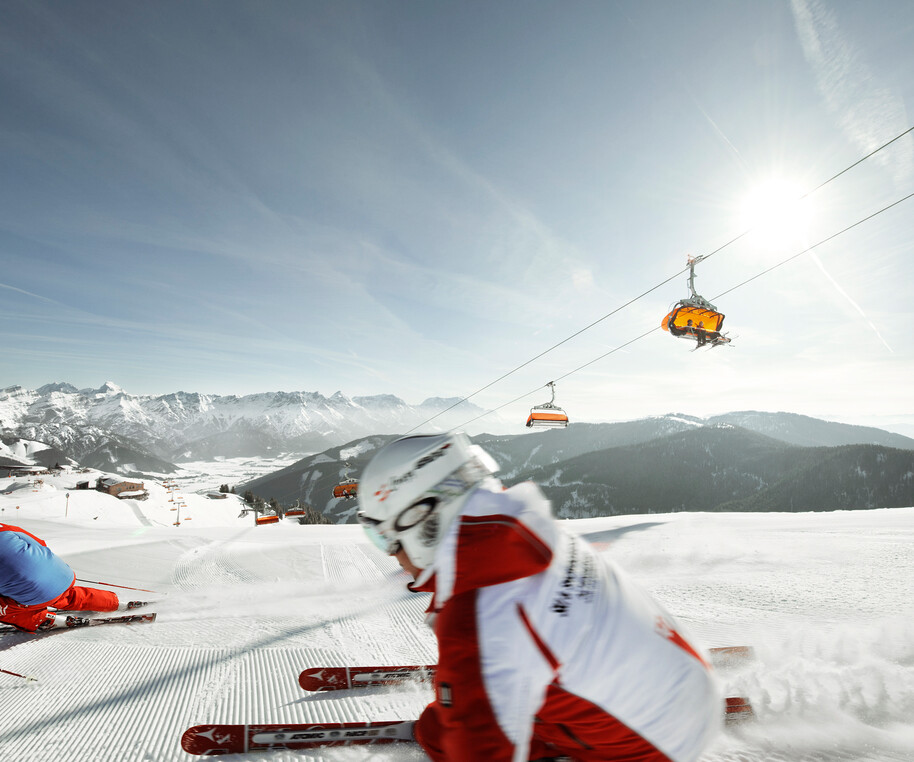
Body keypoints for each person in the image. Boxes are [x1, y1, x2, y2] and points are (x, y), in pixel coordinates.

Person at [358, 433, 721, 762]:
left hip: (655, 748)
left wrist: (452, 725)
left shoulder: (478, 616)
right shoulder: (528, 532)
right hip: (691, 686)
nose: (392, 554)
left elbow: (481, 751)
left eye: (384, 537)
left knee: (459, 730)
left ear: (422, 519)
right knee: (469, 708)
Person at [0, 523, 141, 632]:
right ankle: (115, 603)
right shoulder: (5, 528)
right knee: (66, 596)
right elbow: (41, 543)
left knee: (8, 607)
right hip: (62, 573)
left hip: (37, 593)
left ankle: (44, 619)